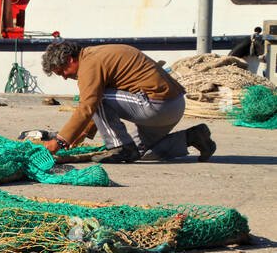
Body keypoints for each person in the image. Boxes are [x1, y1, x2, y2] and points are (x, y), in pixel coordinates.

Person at [39, 39, 215, 163]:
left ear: (70, 59)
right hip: (174, 105)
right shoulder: (99, 54)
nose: (64, 77)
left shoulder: (89, 64)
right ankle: (192, 137)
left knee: (96, 100)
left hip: (156, 105)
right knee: (140, 153)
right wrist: (82, 134)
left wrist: (61, 141)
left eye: (62, 71)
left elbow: (89, 105)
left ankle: (119, 146)